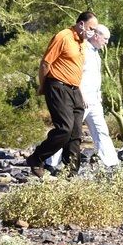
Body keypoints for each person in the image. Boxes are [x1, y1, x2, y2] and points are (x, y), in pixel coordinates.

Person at [25, 11, 96, 178]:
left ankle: (71, 172)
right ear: (81, 24)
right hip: (57, 86)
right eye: (91, 28)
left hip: (75, 89)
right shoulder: (63, 37)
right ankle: (37, 158)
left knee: (76, 134)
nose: (92, 32)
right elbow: (45, 63)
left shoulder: (82, 42)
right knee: (64, 128)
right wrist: (43, 86)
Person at [48, 24, 119, 170]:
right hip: (81, 99)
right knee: (68, 132)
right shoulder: (82, 50)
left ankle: (112, 163)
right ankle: (50, 162)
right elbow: (76, 75)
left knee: (101, 130)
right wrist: (82, 96)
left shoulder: (96, 53)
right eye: (105, 39)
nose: (106, 42)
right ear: (96, 35)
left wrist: (98, 95)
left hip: (94, 101)